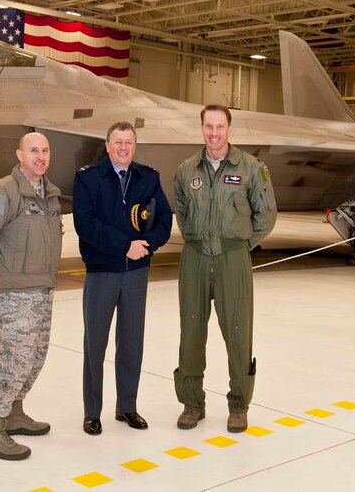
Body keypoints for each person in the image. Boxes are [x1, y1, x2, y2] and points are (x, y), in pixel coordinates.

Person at [173, 103, 277, 433]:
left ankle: (238, 405)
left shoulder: (250, 168)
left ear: (229, 129)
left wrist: (241, 245)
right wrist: (197, 239)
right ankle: (192, 403)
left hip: (233, 259)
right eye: (209, 126)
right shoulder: (186, 170)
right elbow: (181, 212)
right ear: (201, 129)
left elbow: (267, 214)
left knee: (237, 332)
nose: (214, 133)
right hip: (195, 258)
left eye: (220, 127)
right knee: (191, 332)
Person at [0, 132, 63, 461]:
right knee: (13, 361)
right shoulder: (2, 191)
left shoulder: (49, 194)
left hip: (42, 289)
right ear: (19, 154)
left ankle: (14, 413)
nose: (40, 156)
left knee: (34, 358)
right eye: (33, 150)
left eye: (45, 150)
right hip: (16, 294)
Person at [73, 121, 172, 436]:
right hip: (102, 272)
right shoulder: (88, 179)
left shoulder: (149, 178)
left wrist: (147, 244)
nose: (123, 148)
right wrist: (124, 246)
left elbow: (164, 218)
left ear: (135, 146)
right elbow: (85, 224)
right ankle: (92, 412)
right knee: (95, 344)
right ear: (107, 145)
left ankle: (127, 407)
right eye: (118, 142)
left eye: (128, 142)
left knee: (131, 343)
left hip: (136, 274)